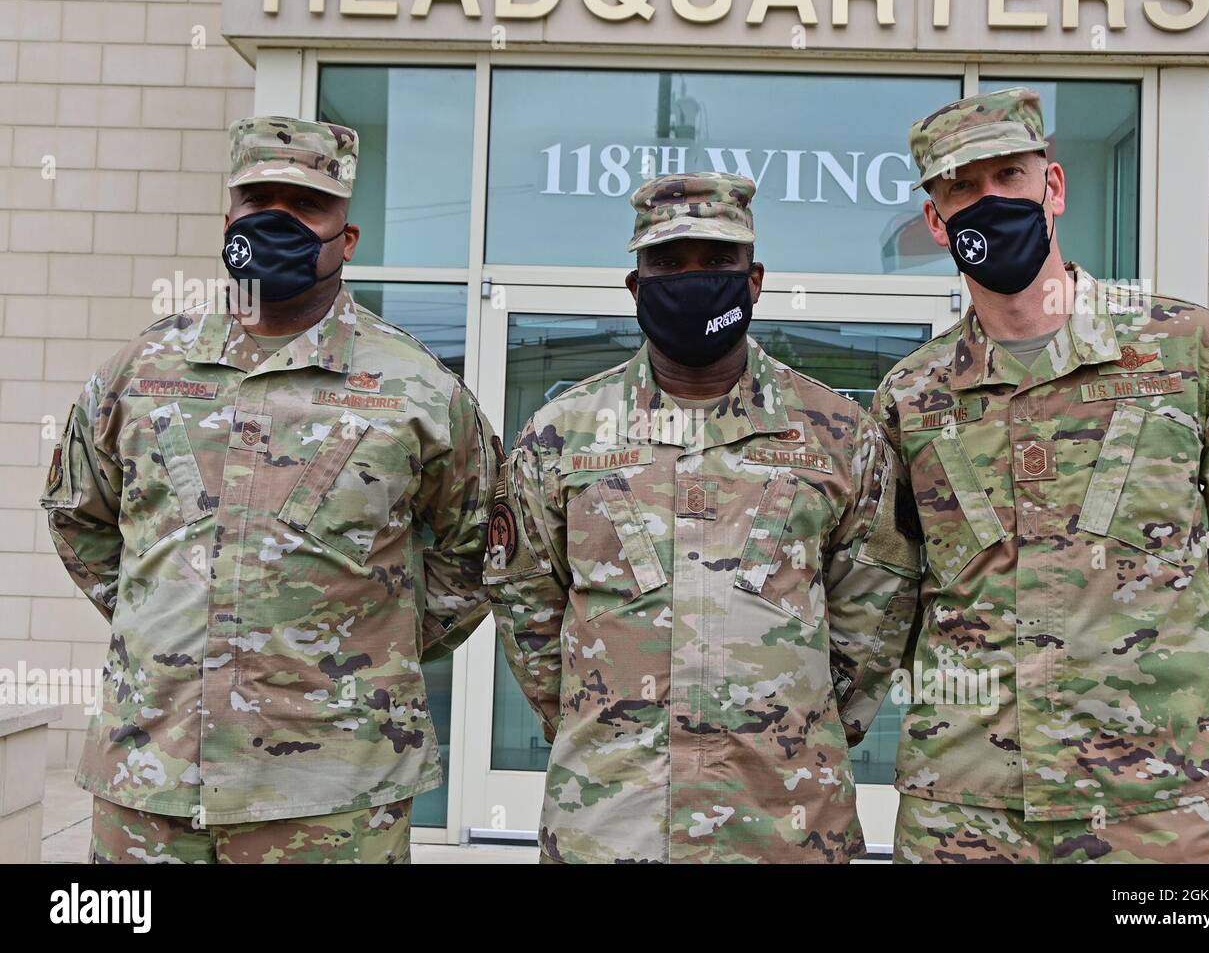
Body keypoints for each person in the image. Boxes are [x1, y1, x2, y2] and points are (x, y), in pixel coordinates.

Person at [39, 116, 497, 863]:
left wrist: (364, 648)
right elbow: (78, 516)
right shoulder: (139, 372)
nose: (278, 220)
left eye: (306, 205)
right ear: (229, 221)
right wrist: (170, 621)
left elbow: (478, 548)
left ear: (346, 239)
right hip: (150, 780)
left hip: (332, 792)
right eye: (260, 201)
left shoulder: (418, 389)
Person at [876, 87, 1209, 863]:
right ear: (937, 223)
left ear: (1054, 188)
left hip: (1152, 785)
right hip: (966, 793)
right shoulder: (912, 394)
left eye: (1009, 176)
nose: (988, 201)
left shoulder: (1187, 350)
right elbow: (888, 587)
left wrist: (1159, 664)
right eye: (961, 189)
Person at [485, 171, 922, 863]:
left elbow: (875, 618)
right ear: (636, 287)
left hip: (785, 824)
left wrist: (790, 725)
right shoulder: (560, 435)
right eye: (668, 264)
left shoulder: (840, 435)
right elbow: (525, 607)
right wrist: (603, 721)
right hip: (610, 823)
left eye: (717, 262)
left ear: (754, 281)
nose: (693, 280)